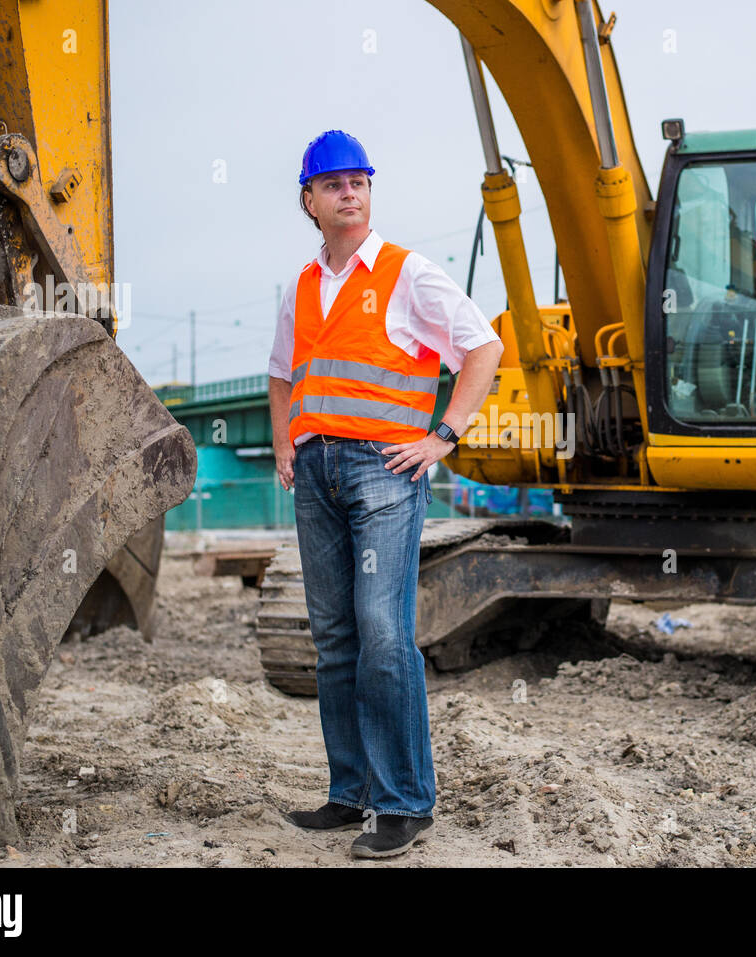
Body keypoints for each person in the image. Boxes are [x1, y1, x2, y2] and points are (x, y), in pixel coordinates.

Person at [266, 130, 504, 859]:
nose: (349, 191)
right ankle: (351, 794)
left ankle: (404, 803)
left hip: (386, 471)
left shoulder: (407, 273)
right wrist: (284, 443)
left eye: (359, 181)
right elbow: (281, 373)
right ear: (308, 200)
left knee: (381, 631)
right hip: (316, 473)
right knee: (335, 638)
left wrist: (445, 435)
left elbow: (484, 345)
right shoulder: (301, 288)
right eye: (333, 183)